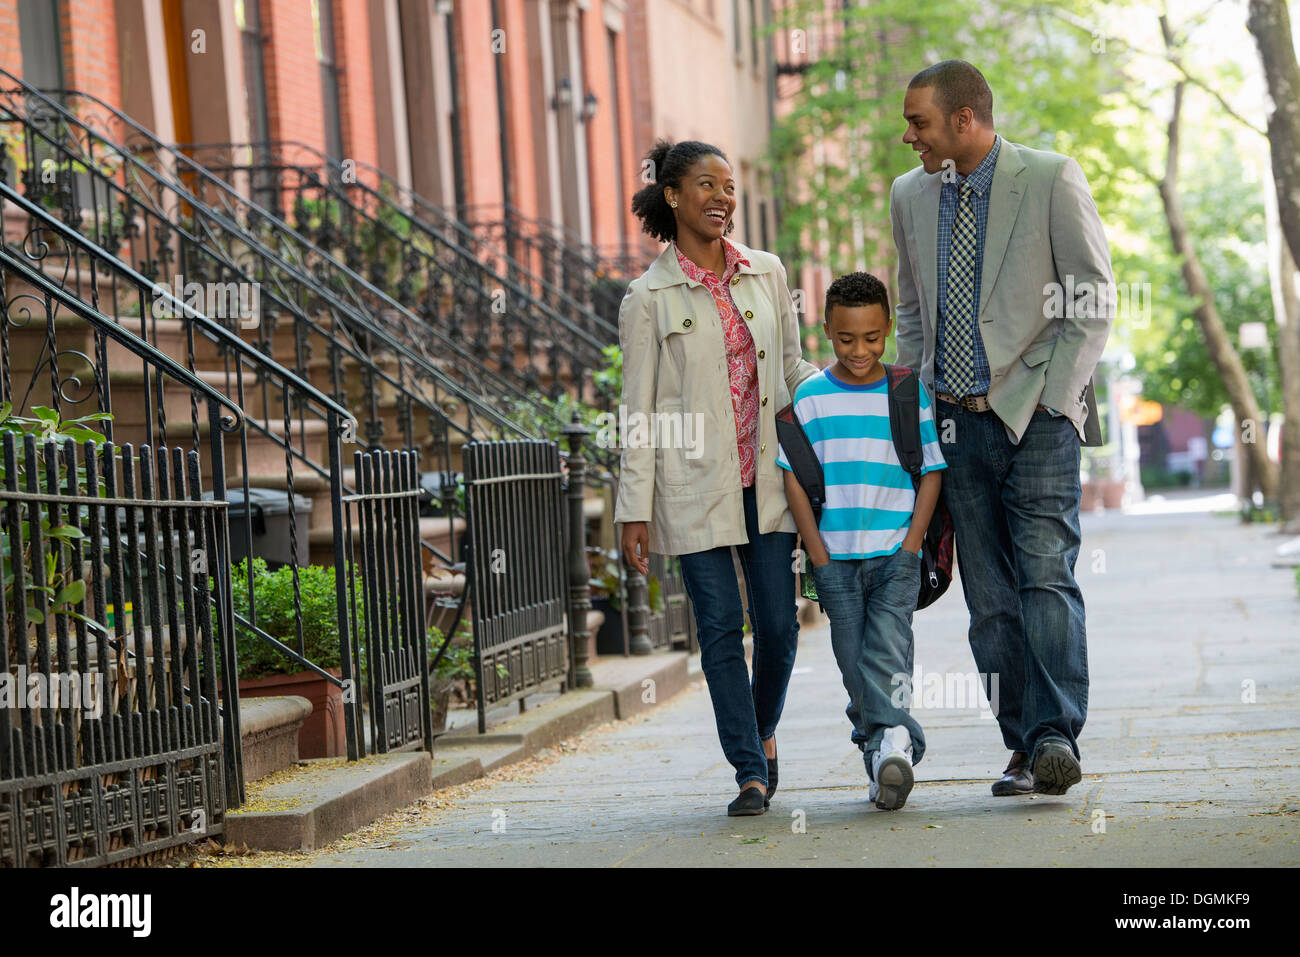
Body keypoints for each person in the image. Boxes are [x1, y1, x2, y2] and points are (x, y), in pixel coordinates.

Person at [889, 60, 1114, 796]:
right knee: (988, 600)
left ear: (965, 119)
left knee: (1045, 575)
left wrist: (1055, 396)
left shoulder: (1049, 177)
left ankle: (1056, 735)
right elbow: (916, 314)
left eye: (919, 121)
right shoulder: (909, 196)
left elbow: (1090, 294)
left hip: (1038, 416)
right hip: (954, 424)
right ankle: (1022, 744)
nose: (909, 137)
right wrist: (917, 413)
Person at [616, 139, 819, 816]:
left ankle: (760, 731)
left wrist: (850, 403)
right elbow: (637, 410)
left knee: (780, 626)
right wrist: (631, 509)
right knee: (721, 627)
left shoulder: (766, 272)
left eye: (729, 187)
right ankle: (749, 771)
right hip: (690, 483)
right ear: (672, 195)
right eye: (707, 185)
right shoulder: (647, 298)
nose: (722, 198)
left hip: (766, 475)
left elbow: (791, 370)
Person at [779, 272, 946, 810]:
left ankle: (892, 743)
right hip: (836, 562)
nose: (860, 349)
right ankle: (886, 751)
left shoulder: (905, 390)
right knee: (853, 661)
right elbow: (794, 480)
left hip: (896, 554)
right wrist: (818, 555)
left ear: (889, 328)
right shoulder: (809, 397)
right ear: (826, 329)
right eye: (847, 338)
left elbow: (932, 472)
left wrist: (912, 546)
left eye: (873, 338)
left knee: (888, 651)